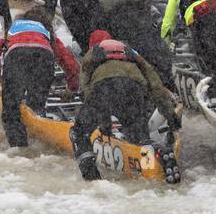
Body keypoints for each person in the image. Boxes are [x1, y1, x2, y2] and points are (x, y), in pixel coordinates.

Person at [68, 29, 182, 182]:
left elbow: (86, 91)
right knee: (139, 139)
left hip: (104, 87)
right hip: (134, 89)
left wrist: (104, 125)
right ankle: (158, 150)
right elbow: (155, 85)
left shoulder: (93, 53)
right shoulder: (131, 52)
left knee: (79, 133)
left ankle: (92, 178)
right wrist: (170, 114)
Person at [0, 6, 79, 148]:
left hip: (17, 56)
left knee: (10, 109)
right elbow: (68, 62)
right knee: (36, 104)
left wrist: (3, 82)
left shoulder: (13, 28)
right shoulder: (46, 32)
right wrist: (72, 88)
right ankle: (41, 135)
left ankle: (19, 148)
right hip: (44, 58)